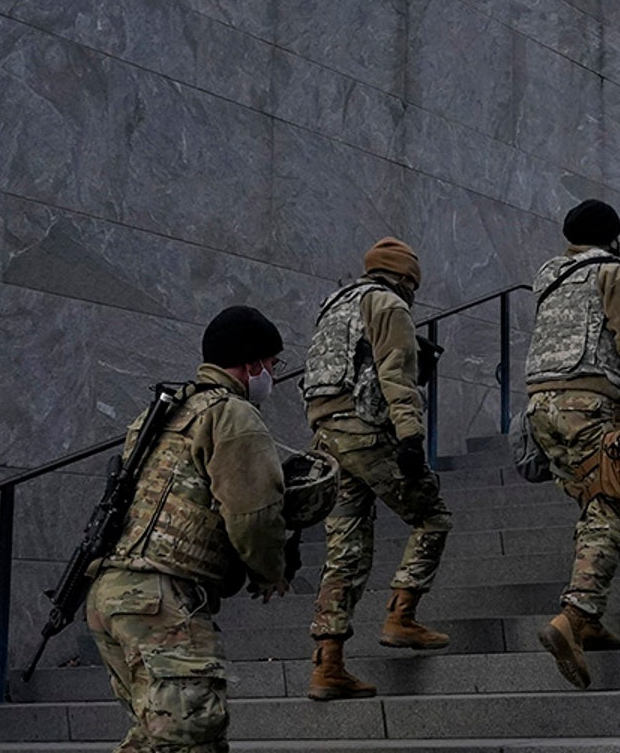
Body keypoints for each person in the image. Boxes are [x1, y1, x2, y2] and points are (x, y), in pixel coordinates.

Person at [85, 305, 290, 752]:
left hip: (111, 593)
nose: (273, 375)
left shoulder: (163, 414)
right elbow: (253, 513)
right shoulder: (233, 414)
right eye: (273, 364)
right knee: (191, 734)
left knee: (157, 737)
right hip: (160, 598)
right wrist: (270, 570)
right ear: (251, 364)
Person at [302, 238, 455, 700]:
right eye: (414, 283)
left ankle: (328, 664)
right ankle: (401, 616)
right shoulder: (388, 305)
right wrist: (410, 438)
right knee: (432, 518)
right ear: (406, 278)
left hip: (327, 438)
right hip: (368, 434)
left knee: (344, 553)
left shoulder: (335, 304)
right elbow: (395, 375)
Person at [524, 199, 620, 689]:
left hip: (540, 407)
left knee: (592, 503)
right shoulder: (614, 274)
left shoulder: (550, 276)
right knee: (609, 507)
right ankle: (574, 617)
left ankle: (591, 620)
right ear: (614, 236)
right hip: (589, 404)